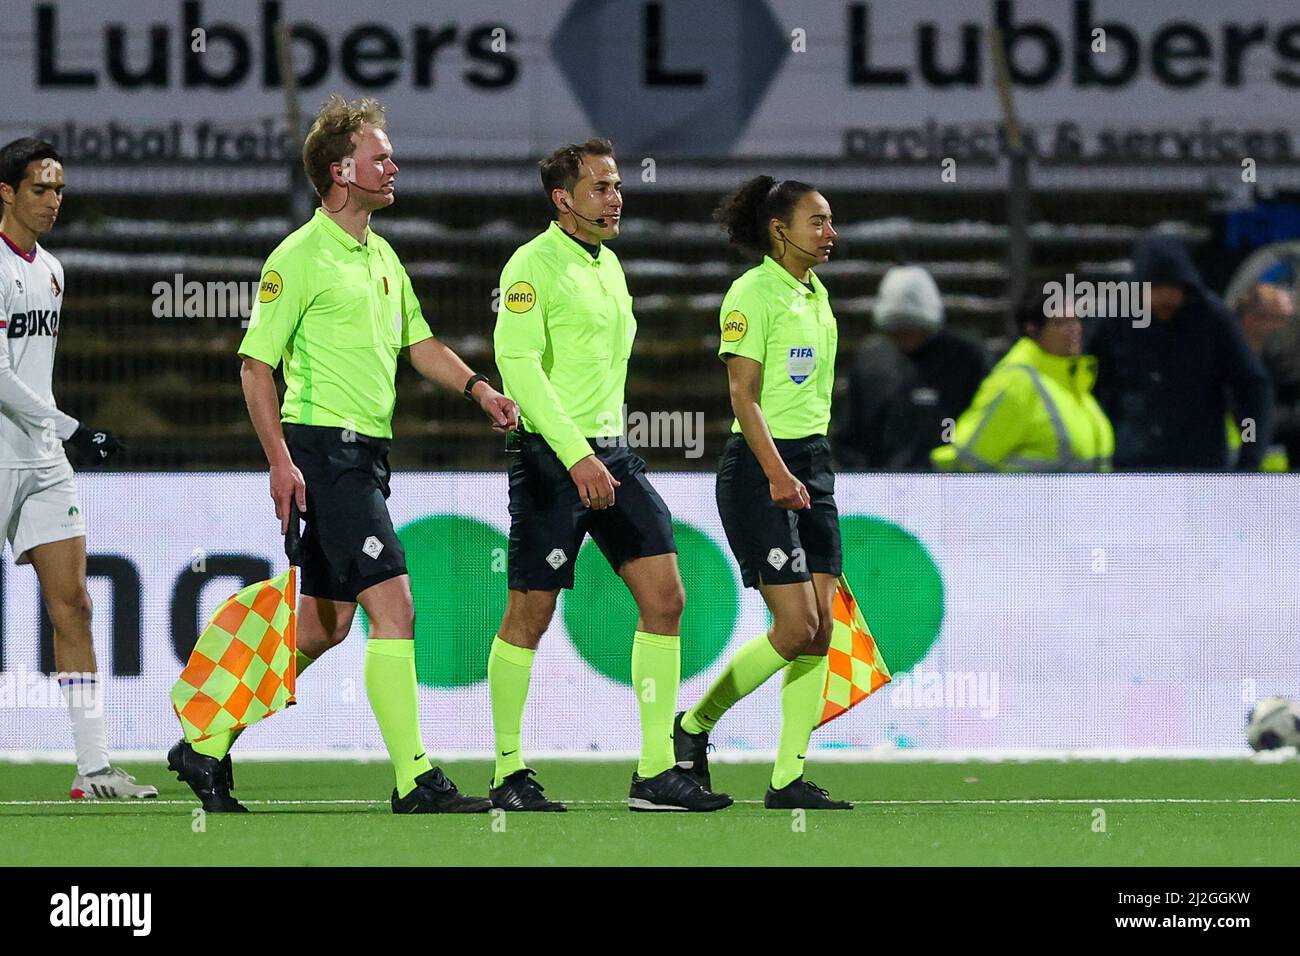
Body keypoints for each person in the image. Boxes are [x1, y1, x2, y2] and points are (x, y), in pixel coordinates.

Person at [169, 96, 518, 814]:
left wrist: (479, 389)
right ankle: (415, 777)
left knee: (325, 626)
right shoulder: (297, 256)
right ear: (340, 170)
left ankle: (202, 743)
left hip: (364, 458)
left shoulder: (381, 254)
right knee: (396, 608)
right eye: (380, 156)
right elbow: (254, 366)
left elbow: (418, 344)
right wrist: (279, 461)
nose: (394, 166)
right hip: (324, 453)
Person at [488, 138, 731, 813]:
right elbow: (521, 368)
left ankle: (655, 772)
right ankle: (508, 772)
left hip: (611, 453)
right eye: (601, 187)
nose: (616, 198)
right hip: (552, 459)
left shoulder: (610, 266)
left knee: (667, 598)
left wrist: (601, 450)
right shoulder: (530, 268)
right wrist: (575, 454)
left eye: (618, 185)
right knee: (529, 616)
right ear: (563, 198)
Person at [673, 175, 850, 810]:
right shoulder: (752, 294)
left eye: (830, 221)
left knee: (822, 628)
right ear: (780, 230)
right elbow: (743, 397)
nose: (831, 233)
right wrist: (777, 472)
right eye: (818, 221)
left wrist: (808, 469)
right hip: (759, 468)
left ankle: (787, 779)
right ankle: (693, 726)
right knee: (796, 622)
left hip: (814, 462)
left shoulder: (817, 293)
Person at [0, 138, 153, 800]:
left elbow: (32, 374)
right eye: (41, 188)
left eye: (59, 189)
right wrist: (71, 427)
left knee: (77, 605)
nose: (53, 200)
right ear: (7, 192)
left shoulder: (54, 272)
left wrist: (58, 435)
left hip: (41, 459)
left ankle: (93, 769)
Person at [1088, 234, 1273, 470]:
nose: (1165, 297)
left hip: (1199, 465)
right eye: (1155, 288)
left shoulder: (1213, 319)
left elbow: (1252, 389)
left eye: (1172, 288)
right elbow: (1092, 387)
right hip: (1132, 462)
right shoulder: (1114, 320)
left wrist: (1250, 453)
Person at [931, 293, 1113, 471]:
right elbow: (967, 458)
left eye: (1075, 320)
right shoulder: (1017, 382)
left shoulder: (1073, 384)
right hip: (1030, 501)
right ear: (1032, 329)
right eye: (1060, 323)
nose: (1074, 329)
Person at [836, 265, 986, 470]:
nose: (906, 337)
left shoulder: (966, 359)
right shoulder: (871, 363)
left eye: (913, 328)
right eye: (897, 330)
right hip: (884, 487)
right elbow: (849, 437)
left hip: (949, 484)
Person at [1231, 282, 1296, 470]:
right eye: (1280, 319)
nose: (1287, 328)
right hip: (1223, 474)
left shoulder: (1279, 366)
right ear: (1251, 320)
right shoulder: (1225, 364)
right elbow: (1247, 418)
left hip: (1272, 483)